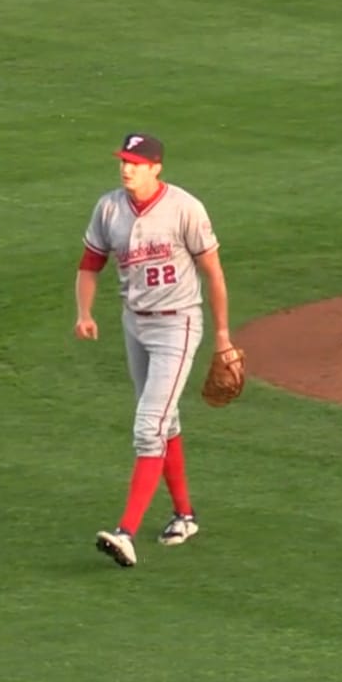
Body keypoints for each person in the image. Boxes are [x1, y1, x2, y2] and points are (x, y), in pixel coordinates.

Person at [73, 132, 236, 568]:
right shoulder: (109, 208)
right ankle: (184, 515)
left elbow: (213, 273)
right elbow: (90, 264)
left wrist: (222, 335)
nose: (126, 168)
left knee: (148, 426)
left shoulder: (185, 207)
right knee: (166, 421)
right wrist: (84, 313)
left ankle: (125, 532)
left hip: (178, 326)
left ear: (155, 167)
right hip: (135, 326)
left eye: (136, 162)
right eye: (123, 161)